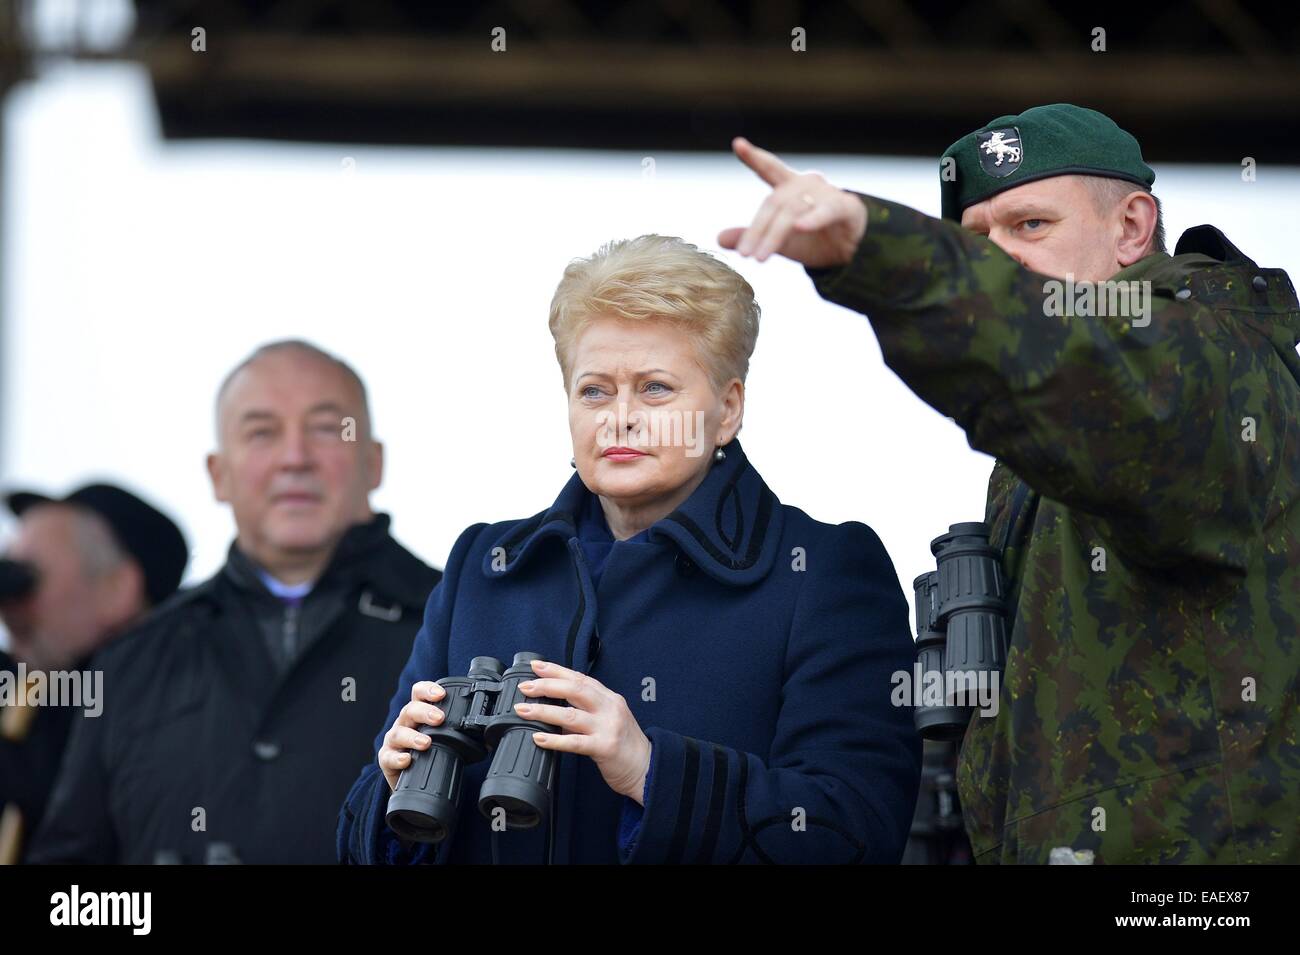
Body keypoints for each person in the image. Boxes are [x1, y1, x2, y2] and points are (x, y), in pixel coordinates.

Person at [719, 103, 1300, 863]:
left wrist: (879, 248)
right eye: (976, 237)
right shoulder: (1048, 440)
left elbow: (1076, 367)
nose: (999, 254)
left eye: (1030, 226)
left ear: (1131, 228)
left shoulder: (1212, 361)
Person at [339, 234, 921, 865]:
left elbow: (857, 832)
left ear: (727, 410)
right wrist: (394, 795)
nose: (620, 417)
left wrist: (649, 770)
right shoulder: (485, 568)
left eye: (655, 389)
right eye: (594, 391)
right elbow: (356, 846)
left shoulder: (822, 572)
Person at [27, 340, 441, 864]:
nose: (295, 457)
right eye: (262, 432)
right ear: (218, 474)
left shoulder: (458, 629)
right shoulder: (133, 660)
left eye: (324, 428)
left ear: (374, 461)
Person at [0, 483, 187, 863]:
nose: (9, 606)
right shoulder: (28, 687)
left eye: (27, 579)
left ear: (117, 589)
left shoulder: (170, 710)